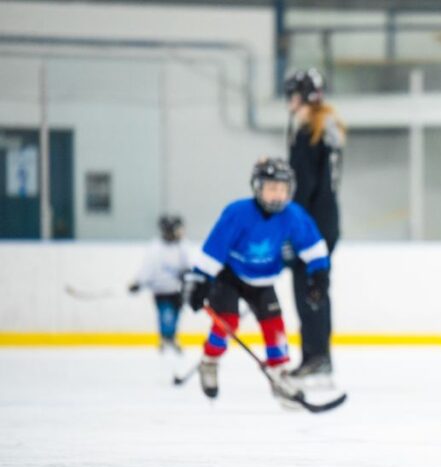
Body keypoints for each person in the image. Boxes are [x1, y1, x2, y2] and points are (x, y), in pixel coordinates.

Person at [185, 158, 330, 405]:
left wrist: (319, 276)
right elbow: (215, 247)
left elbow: (312, 246)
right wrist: (200, 280)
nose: (277, 195)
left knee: (275, 326)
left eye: (283, 189)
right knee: (227, 322)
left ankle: (280, 375)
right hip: (230, 275)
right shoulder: (238, 213)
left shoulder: (293, 215)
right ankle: (209, 362)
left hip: (263, 279)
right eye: (272, 188)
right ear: (257, 187)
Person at [285, 68, 345, 381]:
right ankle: (320, 356)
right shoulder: (329, 130)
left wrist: (288, 230)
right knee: (318, 286)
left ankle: (316, 355)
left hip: (310, 225)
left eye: (292, 94)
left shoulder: (310, 132)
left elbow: (301, 187)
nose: (288, 101)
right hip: (327, 222)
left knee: (307, 288)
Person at [129, 214, 192, 354]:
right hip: (160, 290)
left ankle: (172, 337)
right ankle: (164, 337)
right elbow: (147, 268)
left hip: (177, 289)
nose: (180, 232)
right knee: (165, 313)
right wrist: (139, 282)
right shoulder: (155, 247)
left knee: (176, 313)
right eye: (177, 229)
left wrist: (187, 273)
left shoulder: (182, 245)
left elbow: (188, 264)